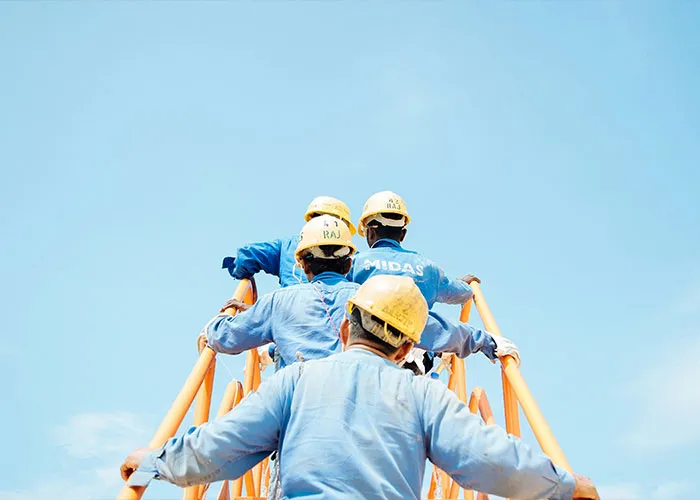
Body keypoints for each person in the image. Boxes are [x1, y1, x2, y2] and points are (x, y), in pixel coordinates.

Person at [121, 275, 599, 500]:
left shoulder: (293, 382)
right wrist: (563, 484)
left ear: (346, 328)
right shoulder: (425, 395)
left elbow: (220, 447)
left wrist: (151, 464)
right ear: (406, 348)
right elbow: (487, 457)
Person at [204, 215, 511, 370]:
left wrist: (222, 319)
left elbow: (224, 337)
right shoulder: (373, 297)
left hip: (297, 426)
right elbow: (435, 327)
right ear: (349, 259)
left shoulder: (278, 302)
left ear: (302, 262)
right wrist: (487, 341)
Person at [348, 190, 489, 373]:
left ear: (369, 232)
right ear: (403, 234)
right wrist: (463, 283)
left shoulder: (354, 263)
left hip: (363, 356)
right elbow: (461, 294)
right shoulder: (427, 267)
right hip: (412, 356)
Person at [222, 196, 356, 288]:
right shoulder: (352, 256)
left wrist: (244, 276)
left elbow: (247, 256)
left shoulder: (286, 246)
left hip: (288, 315)